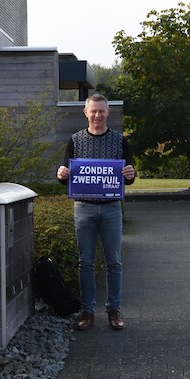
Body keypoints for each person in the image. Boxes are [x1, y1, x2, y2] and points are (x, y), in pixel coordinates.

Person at [56, 94, 136, 331]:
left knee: (114, 261)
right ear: (86, 112)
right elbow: (66, 175)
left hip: (111, 208)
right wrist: (61, 174)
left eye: (101, 111)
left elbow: (128, 177)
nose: (97, 115)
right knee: (86, 262)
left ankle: (114, 310)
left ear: (108, 113)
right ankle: (87, 311)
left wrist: (130, 174)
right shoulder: (75, 140)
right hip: (84, 207)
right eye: (93, 111)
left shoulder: (120, 141)